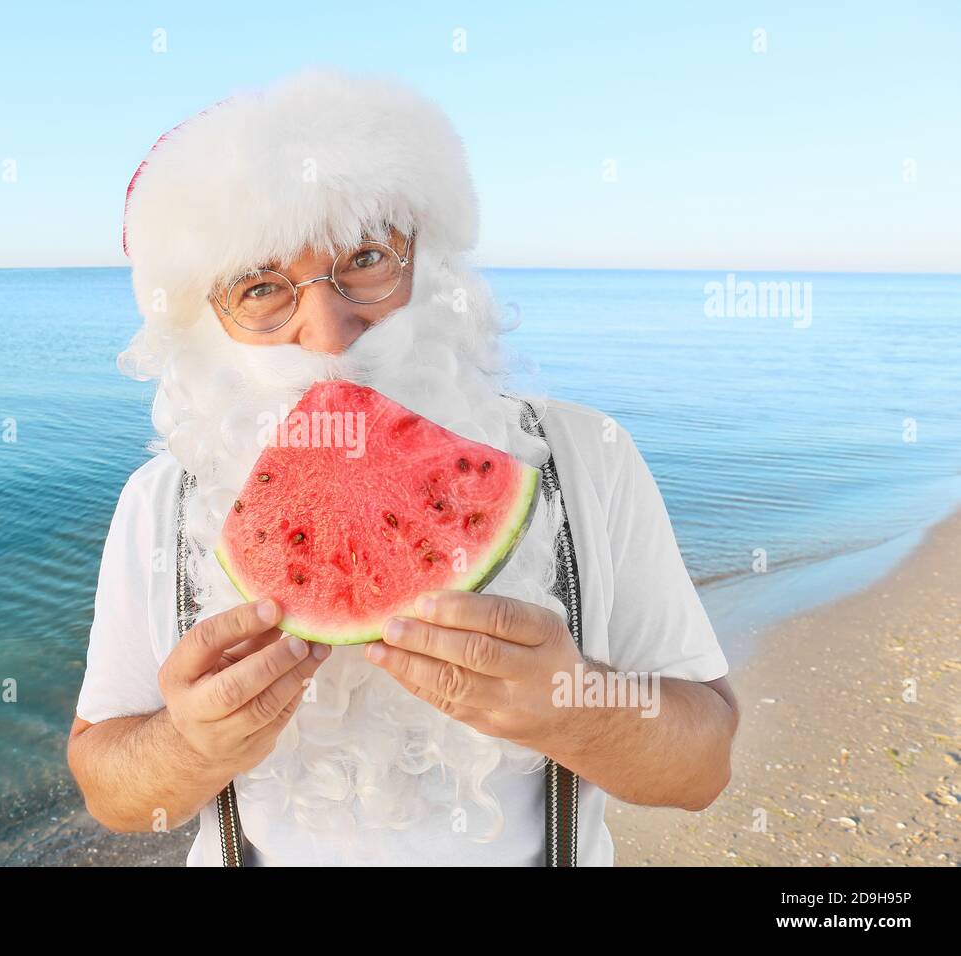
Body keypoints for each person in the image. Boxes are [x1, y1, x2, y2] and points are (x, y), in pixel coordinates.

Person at [67, 68, 739, 866]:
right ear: (206, 327)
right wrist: (185, 747)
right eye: (260, 289)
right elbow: (113, 794)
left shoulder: (587, 458)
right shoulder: (163, 503)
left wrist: (572, 705)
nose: (328, 330)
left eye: (365, 258)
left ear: (432, 264)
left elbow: (703, 769)